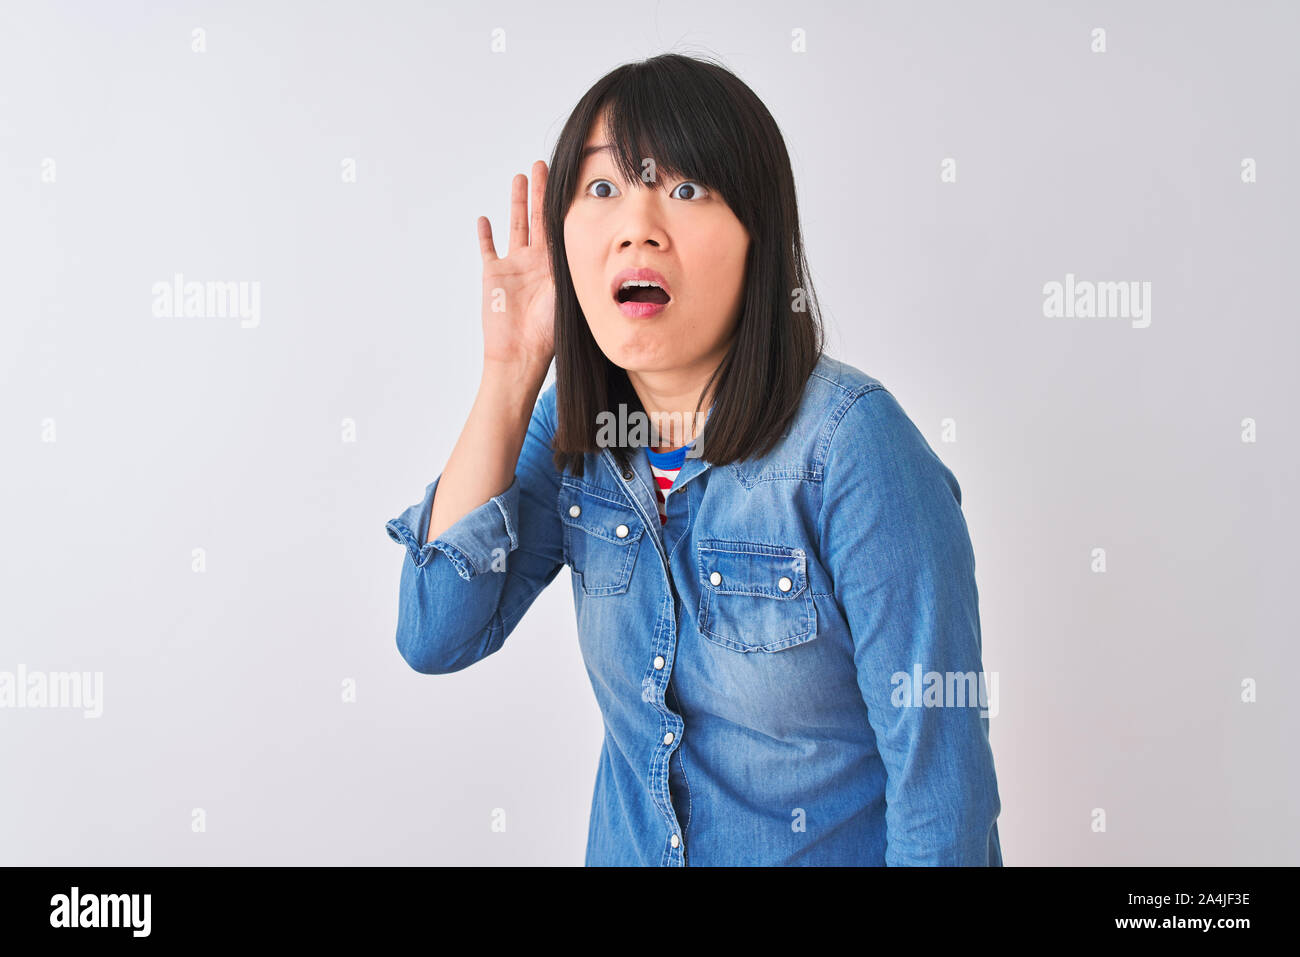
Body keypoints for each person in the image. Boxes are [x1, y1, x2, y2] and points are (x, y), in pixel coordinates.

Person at [385, 52, 1003, 866]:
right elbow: (435, 631)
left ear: (758, 238)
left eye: (684, 189)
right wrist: (509, 369)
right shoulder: (580, 433)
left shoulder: (855, 448)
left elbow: (943, 809)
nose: (638, 226)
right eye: (602, 190)